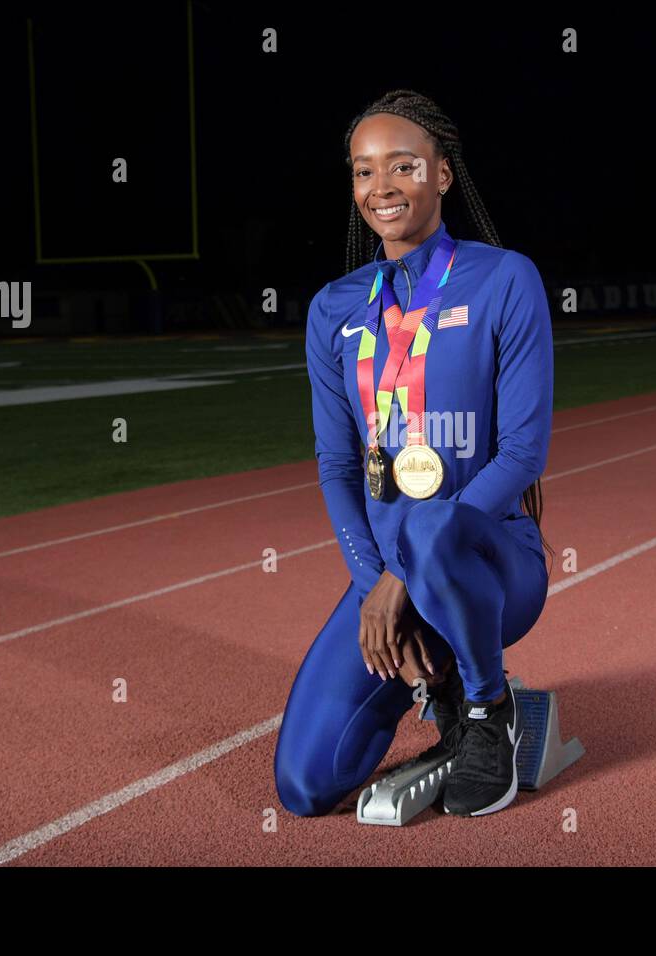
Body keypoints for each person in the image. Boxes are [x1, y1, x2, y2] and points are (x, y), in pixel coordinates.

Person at [274, 89, 554, 818]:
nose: (382, 187)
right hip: (388, 578)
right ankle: (444, 686)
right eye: (364, 172)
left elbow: (523, 452)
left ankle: (489, 711)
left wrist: (405, 571)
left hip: (491, 563)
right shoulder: (334, 308)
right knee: (305, 786)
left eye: (403, 166)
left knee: (429, 526)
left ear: (442, 175)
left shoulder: (504, 279)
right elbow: (337, 464)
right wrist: (377, 585)